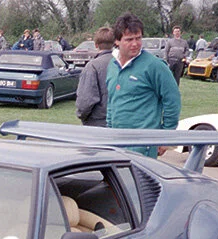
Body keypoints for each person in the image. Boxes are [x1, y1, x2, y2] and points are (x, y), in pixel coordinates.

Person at [105, 12, 180, 158]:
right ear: (117, 41)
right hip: (117, 143)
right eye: (129, 39)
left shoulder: (155, 66)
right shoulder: (112, 66)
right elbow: (112, 101)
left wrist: (165, 137)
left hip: (143, 146)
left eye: (138, 38)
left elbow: (172, 100)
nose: (135, 43)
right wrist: (109, 131)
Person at [75, 26, 115, 127]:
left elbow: (86, 100)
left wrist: (81, 115)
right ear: (114, 43)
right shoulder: (121, 64)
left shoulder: (92, 66)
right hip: (118, 121)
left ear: (96, 45)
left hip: (97, 123)